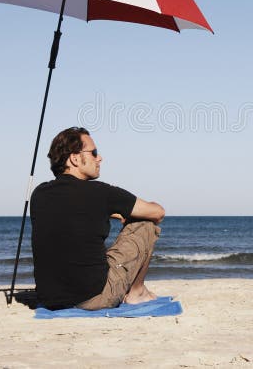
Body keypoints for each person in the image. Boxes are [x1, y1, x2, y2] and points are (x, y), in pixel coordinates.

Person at [30, 126, 165, 310]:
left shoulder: (40, 194)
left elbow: (74, 211)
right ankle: (137, 292)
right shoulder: (101, 193)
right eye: (93, 153)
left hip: (50, 299)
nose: (99, 158)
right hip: (93, 298)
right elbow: (157, 212)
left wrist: (114, 212)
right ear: (75, 158)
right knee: (146, 223)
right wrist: (130, 213)